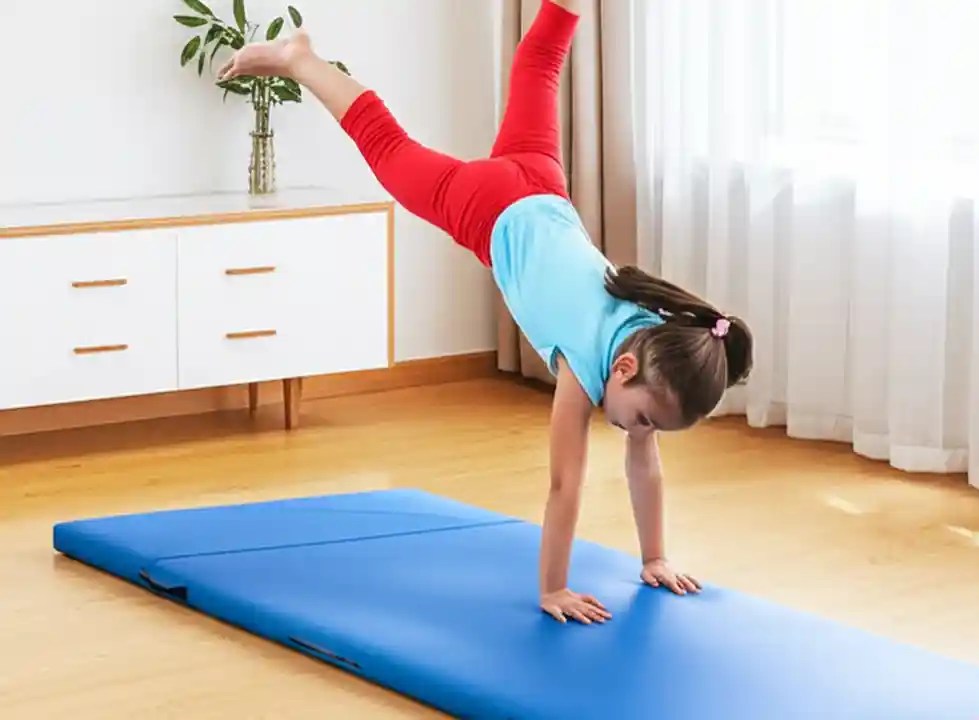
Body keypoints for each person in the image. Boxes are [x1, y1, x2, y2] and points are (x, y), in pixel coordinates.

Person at [217, 0, 752, 626]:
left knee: (542, 65)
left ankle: (560, 9)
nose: (638, 433)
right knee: (389, 151)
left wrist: (655, 557)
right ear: (626, 368)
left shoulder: (651, 329)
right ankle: (301, 62)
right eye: (641, 420)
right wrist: (553, 590)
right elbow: (564, 487)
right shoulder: (587, 368)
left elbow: (645, 465)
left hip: (544, 186)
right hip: (489, 209)